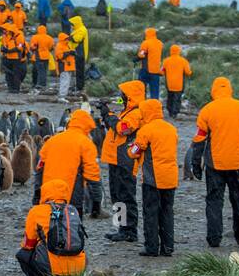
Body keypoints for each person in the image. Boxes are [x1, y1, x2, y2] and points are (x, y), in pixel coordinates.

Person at [190, 77, 239, 247]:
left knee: (214, 200)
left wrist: (195, 164)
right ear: (230, 89)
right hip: (238, 163)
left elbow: (199, 140)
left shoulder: (207, 110)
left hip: (215, 165)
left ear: (213, 90)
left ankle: (214, 239)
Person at [127, 99, 178, 257]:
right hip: (170, 177)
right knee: (167, 212)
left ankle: (151, 247)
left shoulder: (146, 130)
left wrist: (131, 149)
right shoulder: (171, 129)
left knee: (151, 213)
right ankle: (168, 247)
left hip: (153, 179)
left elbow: (134, 152)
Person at [33, 109, 102, 216]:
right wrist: (96, 202)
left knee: (50, 224)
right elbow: (92, 174)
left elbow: (40, 168)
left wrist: (37, 192)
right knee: (71, 227)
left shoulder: (52, 140)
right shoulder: (86, 143)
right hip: (72, 196)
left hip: (48, 194)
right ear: (87, 126)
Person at [100, 80, 145, 243]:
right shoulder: (127, 111)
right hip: (116, 158)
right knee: (116, 194)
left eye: (124, 94)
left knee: (126, 194)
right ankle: (121, 228)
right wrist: (107, 116)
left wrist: (108, 115)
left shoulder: (137, 113)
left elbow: (123, 129)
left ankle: (130, 231)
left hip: (126, 159)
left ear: (131, 96)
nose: (121, 96)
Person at [17, 178, 87, 276]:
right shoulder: (73, 210)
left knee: (23, 254)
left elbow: (29, 243)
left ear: (45, 193)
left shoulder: (37, 210)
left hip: (51, 269)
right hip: (78, 269)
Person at [161, 43, 191, 117]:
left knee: (170, 97)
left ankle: (170, 111)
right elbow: (188, 72)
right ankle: (175, 112)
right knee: (177, 98)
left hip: (169, 83)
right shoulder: (183, 61)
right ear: (179, 51)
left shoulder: (166, 61)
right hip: (179, 83)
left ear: (171, 51)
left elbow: (161, 71)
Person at [136, 27, 163, 100]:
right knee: (155, 91)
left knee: (141, 88)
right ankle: (154, 106)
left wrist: (137, 58)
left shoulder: (146, 43)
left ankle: (142, 103)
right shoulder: (160, 43)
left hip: (146, 70)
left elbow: (142, 54)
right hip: (156, 71)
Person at [28, 24, 55, 90]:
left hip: (38, 56)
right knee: (44, 71)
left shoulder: (35, 37)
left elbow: (32, 47)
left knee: (38, 71)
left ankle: (39, 84)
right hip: (46, 56)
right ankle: (43, 84)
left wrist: (33, 49)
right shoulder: (50, 38)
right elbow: (52, 47)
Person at [68, 15, 90, 91]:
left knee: (80, 71)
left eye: (73, 24)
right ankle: (78, 85)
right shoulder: (78, 29)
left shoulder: (82, 29)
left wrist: (70, 38)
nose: (72, 25)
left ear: (77, 23)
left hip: (81, 53)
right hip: (78, 52)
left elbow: (77, 39)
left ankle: (80, 86)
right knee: (78, 70)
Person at [54, 32, 76, 101]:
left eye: (68, 38)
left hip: (68, 66)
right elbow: (60, 57)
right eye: (66, 39)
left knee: (67, 81)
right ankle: (61, 96)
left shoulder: (66, 45)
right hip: (63, 66)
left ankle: (63, 95)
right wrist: (69, 52)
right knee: (64, 81)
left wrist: (72, 53)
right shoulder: (59, 46)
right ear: (62, 39)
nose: (68, 40)